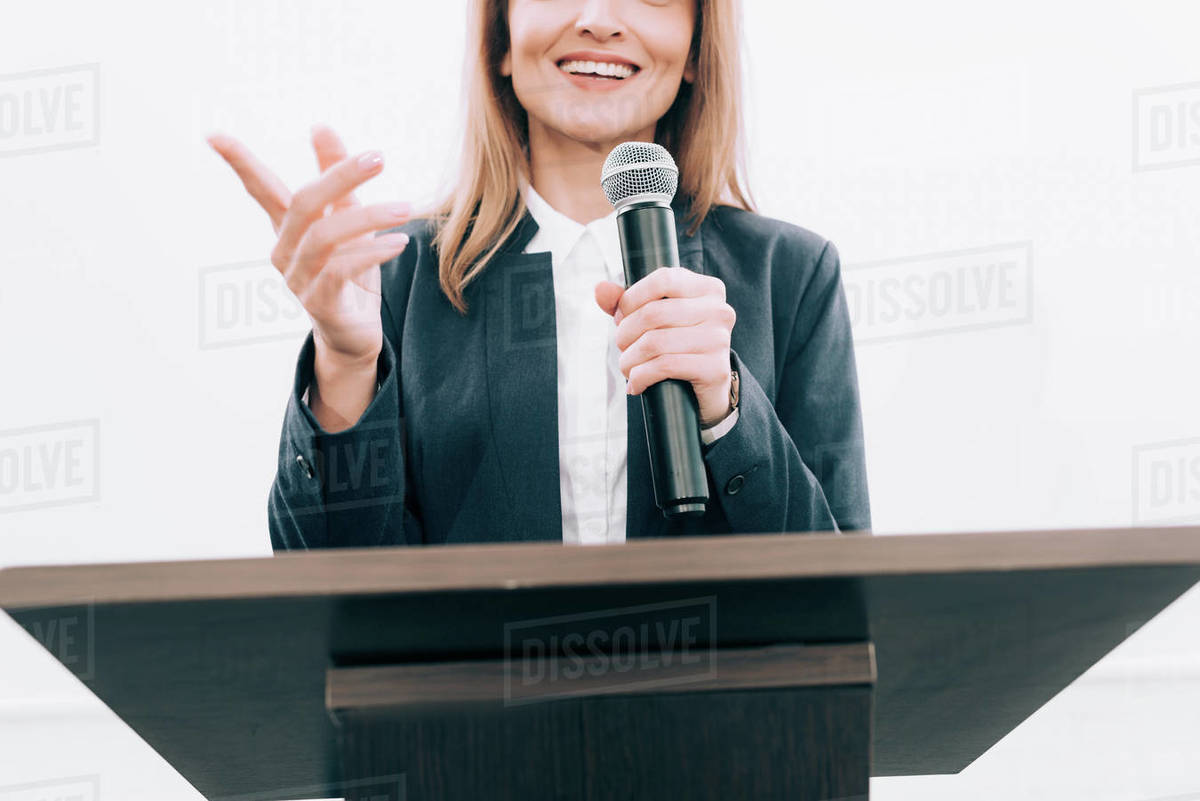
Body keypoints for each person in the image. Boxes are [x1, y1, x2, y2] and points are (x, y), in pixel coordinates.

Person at [206, 0, 870, 549]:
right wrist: (346, 367)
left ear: (696, 46)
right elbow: (330, 595)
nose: (600, 18)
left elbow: (843, 600)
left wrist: (727, 409)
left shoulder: (792, 277)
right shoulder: (390, 277)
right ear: (501, 36)